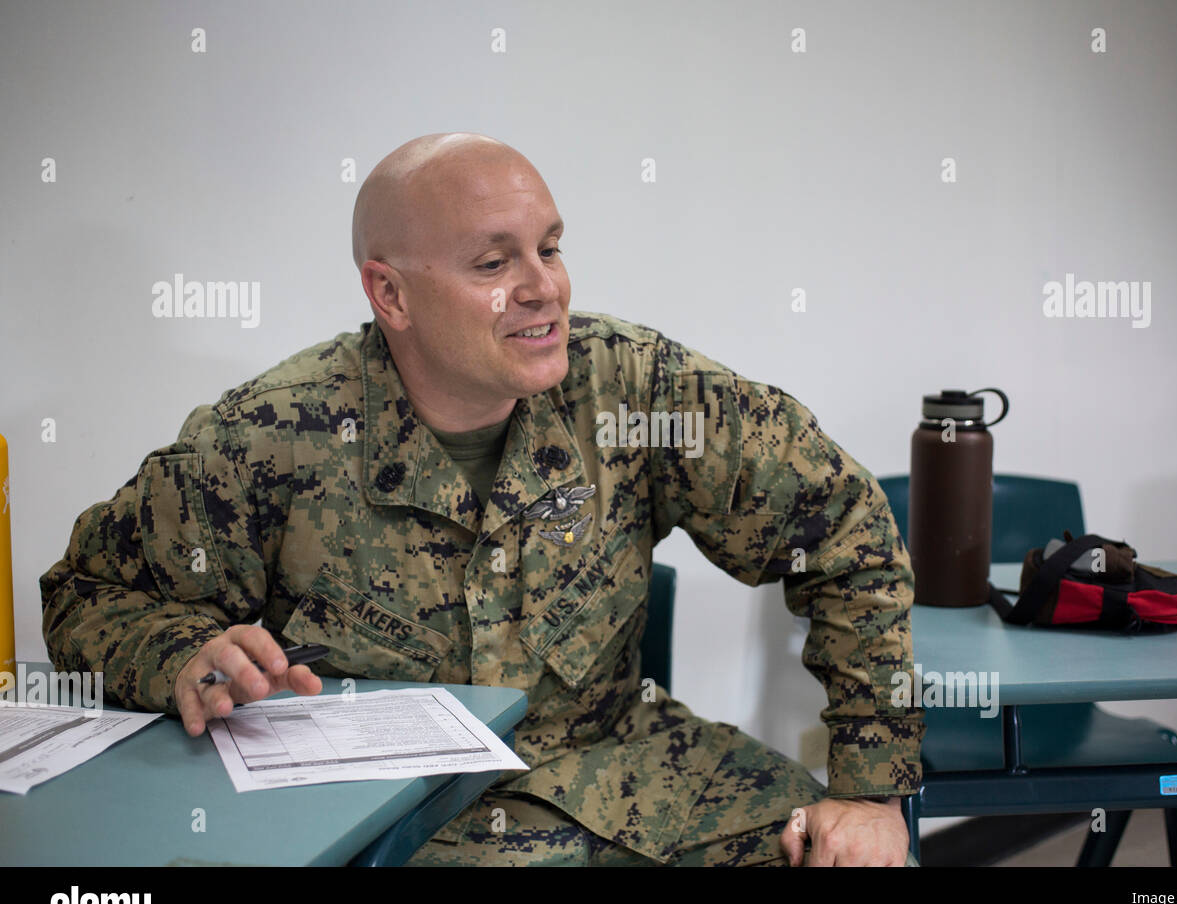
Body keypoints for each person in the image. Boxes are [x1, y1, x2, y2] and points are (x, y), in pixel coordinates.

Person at [40, 132, 924, 866]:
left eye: (550, 246)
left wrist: (872, 788)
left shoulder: (634, 392)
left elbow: (844, 528)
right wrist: (184, 652)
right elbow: (85, 595)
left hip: (632, 777)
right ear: (391, 293)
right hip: (408, 824)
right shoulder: (270, 438)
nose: (543, 287)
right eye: (493, 262)